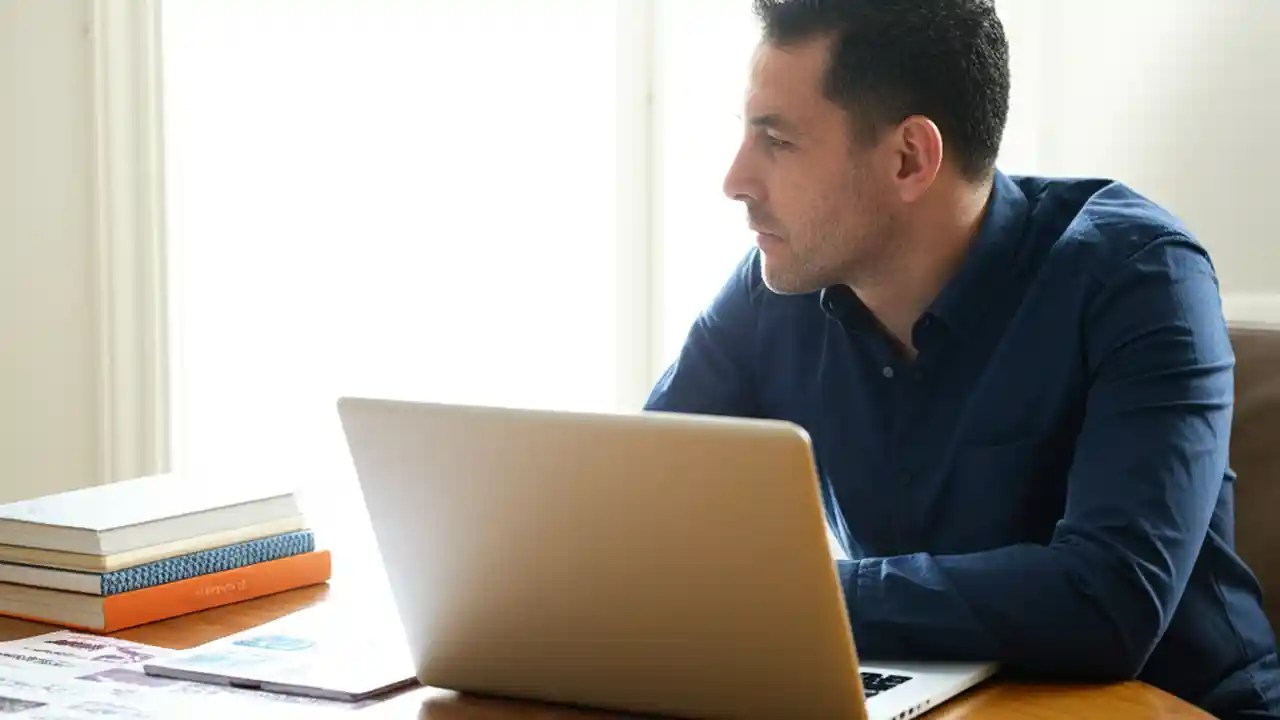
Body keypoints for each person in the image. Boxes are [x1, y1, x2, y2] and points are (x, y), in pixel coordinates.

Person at [643, 1, 1280, 717]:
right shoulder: (777, 288)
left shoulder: (1139, 276)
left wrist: (800, 596)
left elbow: (1109, 599)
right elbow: (638, 510)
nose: (736, 179)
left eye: (778, 141)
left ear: (909, 157)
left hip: (1178, 708)